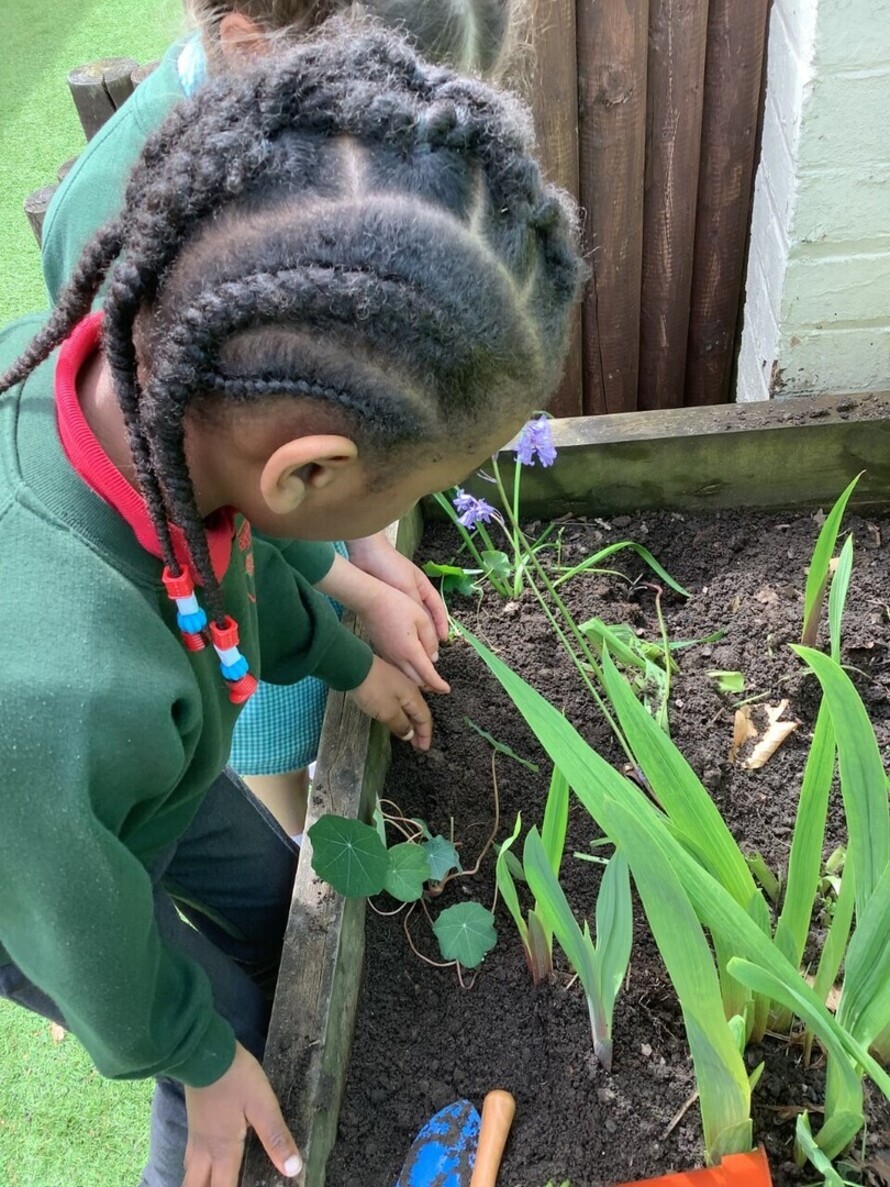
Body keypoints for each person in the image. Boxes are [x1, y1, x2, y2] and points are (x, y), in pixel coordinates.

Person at [0, 20, 583, 1187]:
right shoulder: (56, 689)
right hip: (25, 853)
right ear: (307, 473)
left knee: (277, 898)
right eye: (420, 489)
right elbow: (73, 924)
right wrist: (194, 1048)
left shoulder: (143, 415)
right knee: (201, 1037)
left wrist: (339, 647)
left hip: (104, 768)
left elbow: (227, 555)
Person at [40, 0, 521, 839]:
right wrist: (355, 590)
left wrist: (370, 546)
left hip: (276, 500)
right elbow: (192, 496)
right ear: (253, 47)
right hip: (194, 571)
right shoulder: (128, 221)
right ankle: (295, 830)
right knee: (264, 719)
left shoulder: (297, 140)